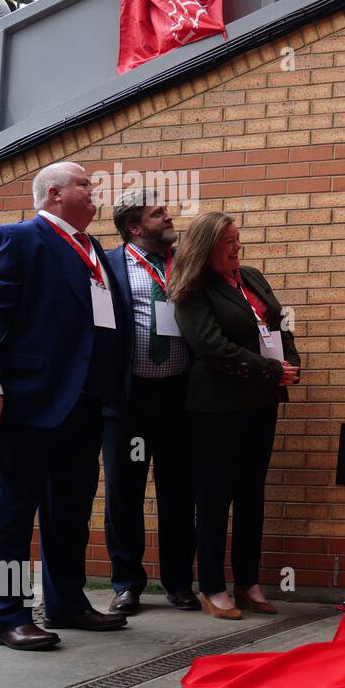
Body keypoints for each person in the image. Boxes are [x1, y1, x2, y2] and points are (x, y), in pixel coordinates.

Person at [0, 162, 130, 649]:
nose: (94, 193)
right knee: (14, 514)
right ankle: (9, 615)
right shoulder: (17, 237)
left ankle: (67, 603)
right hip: (26, 403)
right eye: (84, 184)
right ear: (54, 193)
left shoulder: (93, 249)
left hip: (85, 405)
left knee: (69, 513)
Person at [168, 212, 299, 619]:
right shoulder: (192, 288)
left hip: (261, 402)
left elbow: (278, 327)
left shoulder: (253, 277)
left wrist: (290, 362)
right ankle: (211, 586)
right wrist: (271, 370)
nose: (237, 247)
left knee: (251, 494)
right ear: (206, 247)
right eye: (228, 242)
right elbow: (211, 346)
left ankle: (248, 582)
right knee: (213, 498)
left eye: (238, 239)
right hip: (216, 407)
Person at [101, 190, 198, 615]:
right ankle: (126, 583)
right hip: (128, 399)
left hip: (179, 397)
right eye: (158, 214)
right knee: (125, 493)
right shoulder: (108, 265)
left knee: (179, 492)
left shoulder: (187, 260)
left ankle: (179, 583)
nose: (168, 217)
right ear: (135, 228)